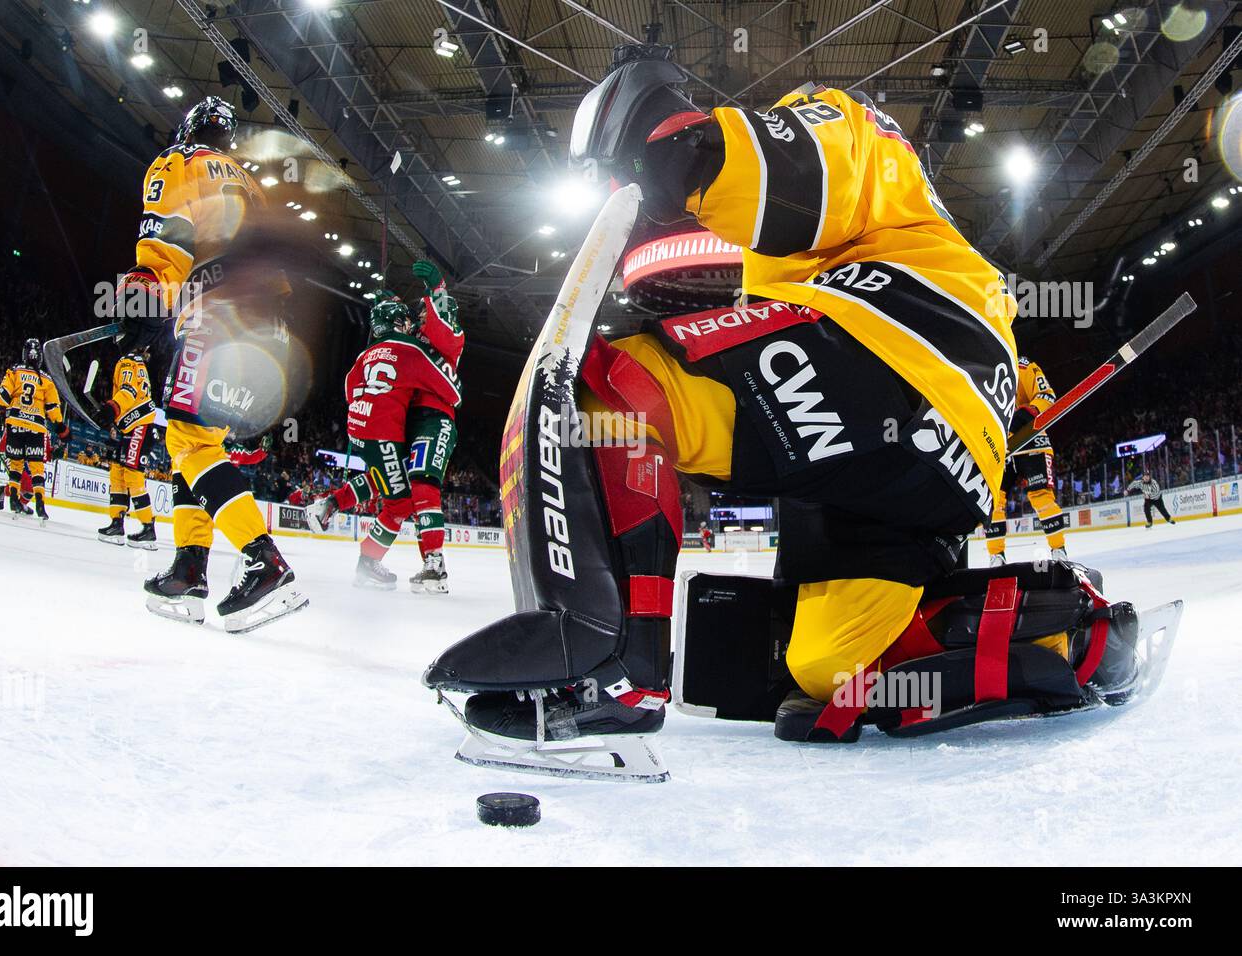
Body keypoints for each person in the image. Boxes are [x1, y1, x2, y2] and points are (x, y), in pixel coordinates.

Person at [425, 47, 1140, 761]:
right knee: (828, 668)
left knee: (622, 386)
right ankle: (1062, 629)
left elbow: (825, 155)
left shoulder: (859, 138)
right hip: (921, 474)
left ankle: (609, 666)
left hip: (897, 351)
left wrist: (695, 147)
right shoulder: (852, 253)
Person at [118, 95, 307, 632]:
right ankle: (190, 568)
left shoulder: (181, 161)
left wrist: (146, 292)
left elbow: (169, 234)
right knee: (198, 444)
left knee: (185, 439)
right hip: (265, 326)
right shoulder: (252, 183)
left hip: (215, 315)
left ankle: (264, 562)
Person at [305, 293, 461, 590]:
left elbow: (350, 387)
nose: (410, 324)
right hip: (385, 435)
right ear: (397, 323)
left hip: (361, 428)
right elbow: (452, 391)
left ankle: (332, 504)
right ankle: (367, 564)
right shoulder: (411, 348)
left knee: (384, 480)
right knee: (400, 503)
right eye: (404, 320)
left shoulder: (366, 354)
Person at [403, 259, 465, 594]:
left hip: (436, 418)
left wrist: (437, 289)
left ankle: (435, 564)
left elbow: (442, 327)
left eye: (428, 314)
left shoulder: (451, 337)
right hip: (410, 420)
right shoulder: (416, 339)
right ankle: (430, 563)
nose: (422, 318)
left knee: (424, 484)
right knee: (415, 493)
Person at [984, 355, 1067, 565]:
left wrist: (1024, 415)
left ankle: (1059, 551)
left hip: (1032, 440)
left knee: (1041, 497)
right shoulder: (982, 368)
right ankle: (996, 557)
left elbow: (1047, 396)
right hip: (999, 447)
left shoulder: (1022, 365)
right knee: (993, 502)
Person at [0, 339, 69, 523]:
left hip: (15, 424)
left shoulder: (14, 371)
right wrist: (61, 427)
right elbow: (53, 408)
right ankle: (40, 506)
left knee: (17, 467)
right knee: (36, 470)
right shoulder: (46, 379)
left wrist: (2, 407)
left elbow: (1, 399)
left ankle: (14, 500)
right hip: (36, 426)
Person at [97, 347, 158, 549]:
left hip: (138, 426)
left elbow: (128, 390)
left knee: (132, 476)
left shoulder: (127, 362)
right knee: (118, 473)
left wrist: (112, 407)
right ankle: (117, 523)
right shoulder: (138, 362)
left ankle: (148, 527)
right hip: (132, 426)